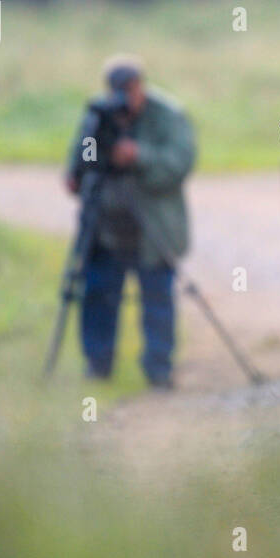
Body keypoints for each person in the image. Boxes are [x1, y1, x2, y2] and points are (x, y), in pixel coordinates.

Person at [64, 55, 196, 388]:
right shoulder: (99, 114)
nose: (125, 97)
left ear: (141, 86)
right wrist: (86, 162)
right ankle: (97, 367)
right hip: (105, 226)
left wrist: (138, 155)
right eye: (118, 90)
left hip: (152, 228)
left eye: (130, 89)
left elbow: (179, 163)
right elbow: (82, 160)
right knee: (97, 294)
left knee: (157, 300)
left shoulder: (167, 114)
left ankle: (159, 370)